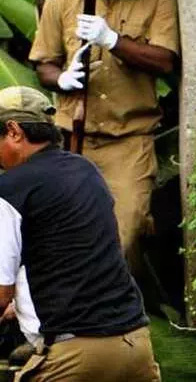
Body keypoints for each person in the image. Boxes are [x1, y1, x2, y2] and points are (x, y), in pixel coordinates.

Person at [28, 0, 179, 272]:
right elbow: (43, 62)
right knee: (60, 237)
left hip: (129, 142)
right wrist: (61, 79)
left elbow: (164, 60)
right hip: (70, 140)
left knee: (124, 233)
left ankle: (119, 321)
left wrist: (113, 41)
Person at [0, 85, 161, 381]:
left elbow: (0, 293)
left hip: (76, 358)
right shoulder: (85, 170)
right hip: (135, 346)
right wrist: (18, 306)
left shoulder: (9, 191)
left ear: (13, 131)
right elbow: (72, 258)